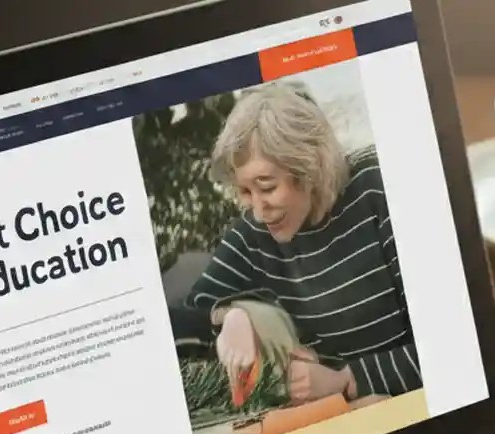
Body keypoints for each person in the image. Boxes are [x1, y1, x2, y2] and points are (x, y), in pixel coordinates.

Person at [179, 81, 421, 406]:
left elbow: (452, 339)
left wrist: (347, 380)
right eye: (245, 192)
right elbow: (187, 313)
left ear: (309, 169)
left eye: (267, 186)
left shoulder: (380, 190)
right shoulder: (254, 234)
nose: (259, 210)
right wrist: (234, 316)